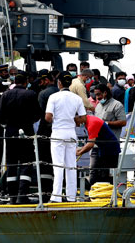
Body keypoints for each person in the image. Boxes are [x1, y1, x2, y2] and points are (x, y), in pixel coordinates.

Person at [0, 73, 42, 204]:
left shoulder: (5, 95)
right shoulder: (31, 94)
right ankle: (22, 195)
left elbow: (0, 116)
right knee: (26, 164)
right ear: (26, 81)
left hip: (10, 132)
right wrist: (28, 122)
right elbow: (37, 114)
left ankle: (12, 196)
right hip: (26, 131)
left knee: (11, 164)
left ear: (14, 81)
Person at [45, 73, 87, 202]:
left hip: (58, 132)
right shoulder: (77, 98)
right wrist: (73, 119)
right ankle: (71, 196)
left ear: (59, 83)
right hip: (71, 133)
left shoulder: (53, 97)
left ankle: (56, 196)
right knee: (71, 165)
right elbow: (83, 118)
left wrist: (56, 119)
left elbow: (48, 117)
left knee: (58, 165)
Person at [77, 114, 120, 186]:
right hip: (102, 148)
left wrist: (79, 152)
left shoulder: (92, 123)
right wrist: (81, 149)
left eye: (75, 120)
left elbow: (90, 144)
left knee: (105, 175)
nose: (75, 123)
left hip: (110, 150)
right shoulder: (88, 121)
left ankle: (110, 192)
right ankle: (94, 191)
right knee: (96, 172)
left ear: (80, 116)